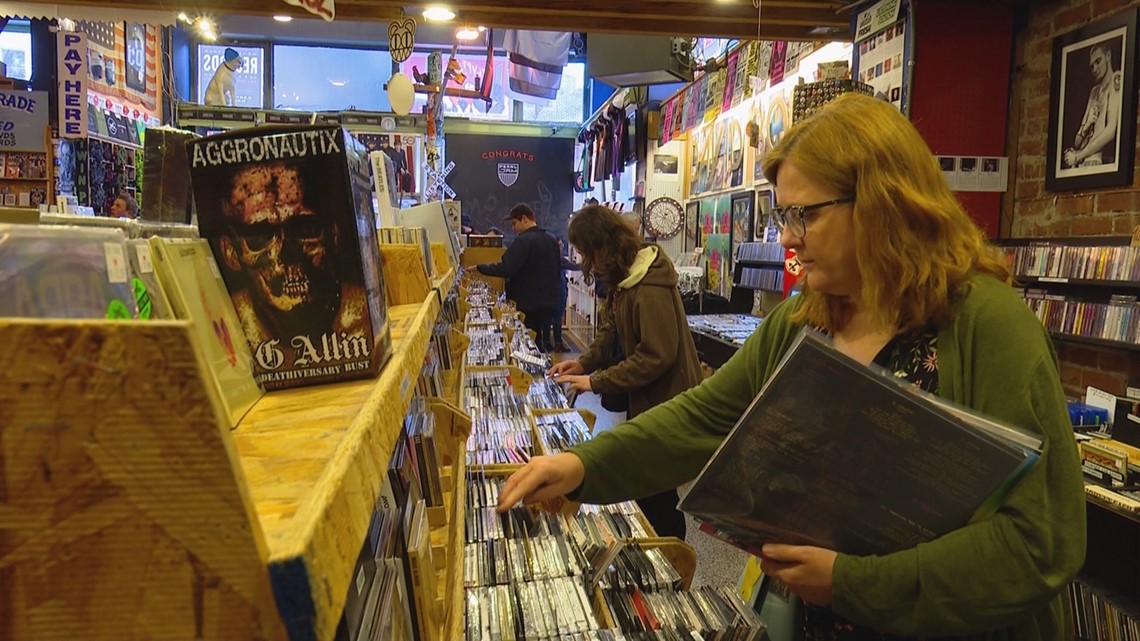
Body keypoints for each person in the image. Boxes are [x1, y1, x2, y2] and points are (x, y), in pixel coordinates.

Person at [498, 94, 1085, 641]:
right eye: (784, 216)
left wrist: (854, 583)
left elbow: (1041, 542)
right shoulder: (804, 320)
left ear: (884, 203)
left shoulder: (988, 325)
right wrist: (581, 464)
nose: (787, 238)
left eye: (804, 215)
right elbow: (706, 417)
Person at [548, 205, 702, 538]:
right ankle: (660, 554)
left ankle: (669, 560)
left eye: (586, 252)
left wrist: (595, 381)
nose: (585, 261)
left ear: (600, 246)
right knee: (650, 487)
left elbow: (655, 356)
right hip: (650, 400)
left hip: (669, 402)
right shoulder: (626, 278)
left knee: (656, 493)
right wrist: (585, 362)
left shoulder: (648, 287)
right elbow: (611, 328)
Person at [475, 203, 562, 351]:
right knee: (537, 341)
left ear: (524, 219)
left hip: (528, 304)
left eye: (514, 223)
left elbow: (506, 268)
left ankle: (533, 372)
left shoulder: (523, 241)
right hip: (549, 301)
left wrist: (479, 267)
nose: (513, 228)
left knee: (526, 344)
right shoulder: (552, 239)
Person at [1064, 42, 1122, 169]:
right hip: (1083, 160)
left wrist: (1078, 156)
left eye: (1098, 61)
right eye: (1091, 66)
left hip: (1096, 161)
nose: (1095, 69)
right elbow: (1077, 142)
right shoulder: (1094, 92)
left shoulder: (1116, 79)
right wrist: (1087, 125)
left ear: (1108, 56)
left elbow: (1111, 131)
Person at [549, 237, 581, 353]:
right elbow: (574, 266)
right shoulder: (559, 259)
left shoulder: (549, 259)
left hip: (551, 290)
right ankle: (558, 343)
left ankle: (548, 342)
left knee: (549, 317)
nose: (562, 247)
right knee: (558, 316)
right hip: (559, 289)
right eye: (560, 245)